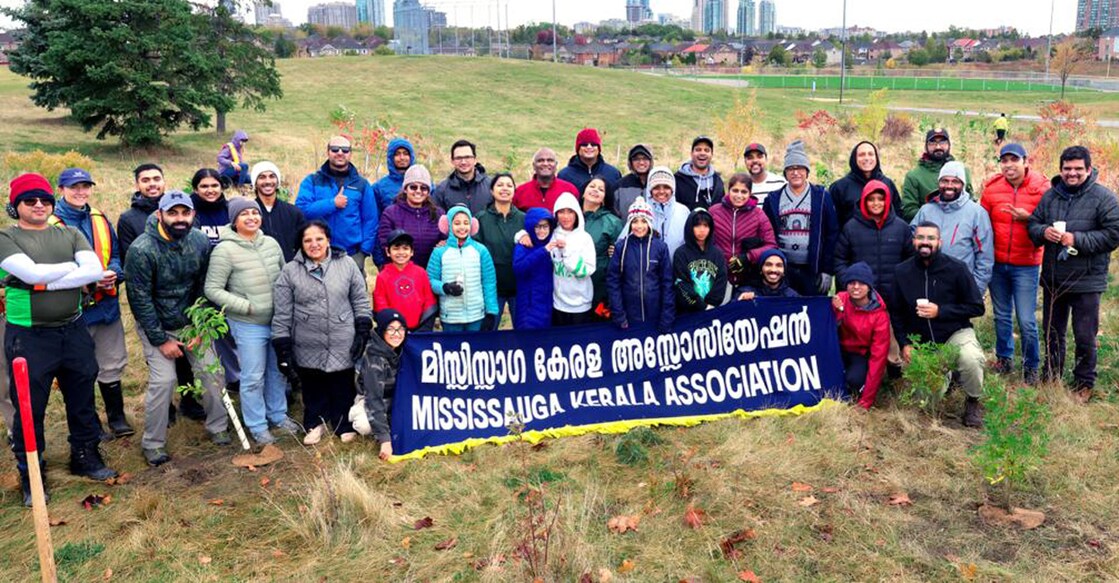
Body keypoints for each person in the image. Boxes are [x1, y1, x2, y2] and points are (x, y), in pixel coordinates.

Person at [1, 173, 119, 505]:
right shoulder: (5, 237)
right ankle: (31, 474)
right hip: (28, 335)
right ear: (16, 206)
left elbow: (93, 270)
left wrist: (41, 281)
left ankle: (85, 456)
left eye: (44, 200)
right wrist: (67, 273)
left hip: (73, 328)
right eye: (29, 200)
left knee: (82, 395)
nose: (39, 205)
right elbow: (32, 273)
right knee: (29, 407)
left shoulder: (70, 232)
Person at [125, 191, 231, 466]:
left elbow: (203, 287)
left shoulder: (199, 241)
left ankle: (218, 426)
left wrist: (199, 325)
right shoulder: (142, 249)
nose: (180, 219)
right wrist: (161, 340)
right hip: (156, 325)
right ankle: (153, 444)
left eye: (185, 213)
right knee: (164, 381)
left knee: (213, 373)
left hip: (192, 322)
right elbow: (140, 299)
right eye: (173, 213)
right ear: (160, 214)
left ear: (193, 215)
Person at [1027, 146, 1119, 401]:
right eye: (1067, 169)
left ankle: (1083, 383)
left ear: (1089, 170)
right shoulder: (1051, 197)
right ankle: (1052, 376)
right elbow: (1033, 224)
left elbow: (1113, 235)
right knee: (1052, 333)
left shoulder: (1104, 198)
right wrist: (1043, 232)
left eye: (1078, 169)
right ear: (1061, 169)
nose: (1072, 173)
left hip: (1087, 280)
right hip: (1055, 279)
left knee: (1084, 335)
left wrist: (1075, 239)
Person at [49, 168, 132, 439]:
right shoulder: (49, 224)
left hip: (106, 308)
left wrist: (114, 273)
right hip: (71, 312)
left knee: (112, 362)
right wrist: (88, 281)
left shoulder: (99, 217)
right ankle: (91, 424)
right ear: (61, 189)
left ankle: (116, 418)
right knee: (80, 370)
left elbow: (116, 253)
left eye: (85, 186)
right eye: (74, 187)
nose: (80, 192)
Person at [204, 198, 295, 446]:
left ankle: (277, 414)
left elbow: (285, 276)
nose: (252, 217)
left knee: (277, 371)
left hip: (277, 321)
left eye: (255, 212)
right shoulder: (225, 250)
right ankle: (257, 425)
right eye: (245, 214)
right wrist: (246, 306)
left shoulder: (271, 244)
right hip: (248, 323)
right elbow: (212, 289)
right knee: (253, 376)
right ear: (235, 220)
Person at [272, 221, 371, 445]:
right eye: (308, 240)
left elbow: (360, 299)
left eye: (319, 239)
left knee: (342, 383)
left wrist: (363, 329)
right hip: (307, 340)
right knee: (313, 385)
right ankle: (314, 423)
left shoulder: (346, 264)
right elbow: (282, 312)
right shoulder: (290, 271)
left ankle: (342, 422)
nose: (314, 244)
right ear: (301, 244)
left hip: (341, 336)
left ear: (328, 240)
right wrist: (283, 347)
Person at [889, 222, 986, 427]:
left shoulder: (957, 268)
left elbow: (977, 307)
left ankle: (973, 401)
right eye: (921, 237)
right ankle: (947, 377)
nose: (925, 242)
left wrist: (940, 311)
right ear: (913, 241)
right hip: (923, 343)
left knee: (971, 358)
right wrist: (905, 343)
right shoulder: (901, 272)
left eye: (931, 238)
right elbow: (896, 314)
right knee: (924, 403)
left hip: (955, 333)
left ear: (939, 242)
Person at [980, 143, 1048, 383]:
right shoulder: (991, 189)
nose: (1009, 165)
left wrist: (1028, 218)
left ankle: (1031, 367)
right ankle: (1004, 358)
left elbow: (1050, 221)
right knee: (1002, 315)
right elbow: (982, 223)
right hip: (997, 264)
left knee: (1027, 318)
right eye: (1004, 160)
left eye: (1014, 160)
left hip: (1026, 264)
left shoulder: (1041, 188)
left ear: (1025, 162)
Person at [762, 140, 838, 296]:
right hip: (783, 270)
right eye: (790, 169)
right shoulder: (773, 199)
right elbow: (766, 234)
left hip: (812, 270)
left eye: (800, 168)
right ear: (785, 173)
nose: (795, 173)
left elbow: (832, 234)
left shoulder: (821, 196)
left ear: (807, 171)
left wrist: (827, 270)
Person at [295, 135, 380, 274]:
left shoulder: (362, 184)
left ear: (350, 153)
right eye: (335, 149)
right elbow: (302, 210)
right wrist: (332, 204)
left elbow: (370, 221)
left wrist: (363, 252)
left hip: (351, 254)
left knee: (354, 295)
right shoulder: (312, 181)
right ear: (327, 152)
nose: (340, 152)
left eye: (345, 150)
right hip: (317, 254)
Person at [910, 161, 994, 296]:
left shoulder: (976, 213)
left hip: (960, 286)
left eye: (955, 181)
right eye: (944, 181)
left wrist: (976, 289)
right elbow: (911, 242)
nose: (949, 186)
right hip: (927, 283)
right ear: (939, 183)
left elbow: (985, 256)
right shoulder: (926, 210)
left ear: (963, 185)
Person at [835, 180, 913, 306]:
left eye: (880, 199)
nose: (876, 203)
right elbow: (839, 260)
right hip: (861, 300)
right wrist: (850, 283)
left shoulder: (901, 227)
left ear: (887, 200)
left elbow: (911, 260)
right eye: (871, 199)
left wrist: (904, 284)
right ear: (864, 200)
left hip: (894, 298)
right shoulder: (850, 227)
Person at [607, 197, 675, 332]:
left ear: (650, 223)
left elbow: (667, 283)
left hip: (655, 315)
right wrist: (619, 315)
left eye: (644, 221)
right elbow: (613, 282)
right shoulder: (621, 247)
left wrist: (667, 317)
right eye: (635, 221)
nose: (639, 226)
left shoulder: (660, 247)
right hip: (629, 316)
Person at [427, 206, 499, 332]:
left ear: (472, 225)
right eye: (457, 223)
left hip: (476, 314)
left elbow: (489, 282)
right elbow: (430, 280)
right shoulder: (439, 252)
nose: (462, 227)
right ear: (448, 225)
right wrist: (445, 287)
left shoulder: (481, 250)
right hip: (450, 316)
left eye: (466, 223)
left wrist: (491, 310)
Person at [831, 262, 890, 410]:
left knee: (853, 382)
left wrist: (866, 402)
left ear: (869, 286)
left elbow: (878, 358)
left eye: (862, 283)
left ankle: (862, 388)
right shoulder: (840, 299)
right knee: (833, 379)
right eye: (852, 282)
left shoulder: (879, 315)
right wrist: (836, 311)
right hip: (839, 350)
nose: (856, 287)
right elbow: (826, 329)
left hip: (862, 355)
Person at [353, 308, 407, 460]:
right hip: (373, 399)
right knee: (364, 425)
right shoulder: (374, 359)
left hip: (397, 399)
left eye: (400, 329)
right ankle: (371, 421)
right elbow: (374, 399)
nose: (396, 334)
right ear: (382, 330)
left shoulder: (405, 349)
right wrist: (385, 440)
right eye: (390, 329)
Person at [710, 173, 776, 290]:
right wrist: (719, 257)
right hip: (718, 275)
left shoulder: (758, 214)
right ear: (728, 190)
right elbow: (706, 241)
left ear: (750, 193)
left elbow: (771, 245)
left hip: (748, 278)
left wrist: (748, 257)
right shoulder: (714, 212)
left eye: (744, 192)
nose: (739, 195)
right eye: (735, 190)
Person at [475, 172, 524, 325]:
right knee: (489, 331)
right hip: (492, 286)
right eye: (500, 185)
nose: (504, 188)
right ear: (491, 191)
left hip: (518, 285)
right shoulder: (481, 218)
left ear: (514, 191)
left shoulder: (524, 218)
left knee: (522, 331)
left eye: (509, 185)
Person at [377, 165, 445, 269]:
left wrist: (445, 244)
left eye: (423, 188)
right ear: (405, 189)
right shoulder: (390, 213)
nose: (418, 191)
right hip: (401, 271)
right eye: (413, 187)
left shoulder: (439, 214)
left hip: (432, 272)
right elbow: (385, 244)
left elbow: (447, 239)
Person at [900, 128, 973, 221]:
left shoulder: (963, 172)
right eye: (933, 143)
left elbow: (970, 202)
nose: (938, 147)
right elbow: (908, 210)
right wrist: (936, 217)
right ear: (926, 146)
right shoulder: (913, 176)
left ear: (949, 145)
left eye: (942, 142)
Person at [374, 229, 438, 332]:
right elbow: (381, 305)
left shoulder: (421, 273)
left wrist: (424, 327)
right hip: (394, 332)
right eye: (396, 248)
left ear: (412, 251)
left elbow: (429, 301)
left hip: (420, 329)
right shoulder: (382, 276)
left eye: (405, 248)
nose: (401, 252)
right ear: (388, 251)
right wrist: (392, 326)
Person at [828, 141, 903, 228]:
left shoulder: (888, 184)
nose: (867, 158)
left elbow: (898, 214)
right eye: (862, 155)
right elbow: (831, 222)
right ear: (854, 158)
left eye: (871, 154)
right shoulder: (840, 187)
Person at [549, 193, 598, 326]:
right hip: (558, 303)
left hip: (580, 305)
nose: (566, 216)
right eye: (561, 212)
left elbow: (587, 270)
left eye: (570, 212)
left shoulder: (585, 238)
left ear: (577, 214)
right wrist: (520, 236)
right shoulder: (552, 234)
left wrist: (566, 253)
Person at [581, 176, 624, 318]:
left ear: (605, 197)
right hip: (569, 288)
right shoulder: (569, 217)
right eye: (592, 186)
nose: (595, 191)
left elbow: (620, 259)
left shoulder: (612, 223)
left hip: (599, 288)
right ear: (583, 192)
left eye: (601, 189)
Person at [673, 207, 728, 313]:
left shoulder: (717, 253)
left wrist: (712, 304)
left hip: (712, 309)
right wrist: (700, 305)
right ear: (690, 227)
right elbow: (681, 283)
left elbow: (721, 280)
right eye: (697, 225)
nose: (702, 230)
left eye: (706, 226)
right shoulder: (681, 253)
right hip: (687, 311)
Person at [252, 161, 306, 263]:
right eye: (262, 177)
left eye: (272, 176)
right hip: (259, 272)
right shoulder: (248, 214)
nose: (268, 181)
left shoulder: (293, 212)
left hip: (289, 271)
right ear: (255, 182)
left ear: (277, 181)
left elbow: (304, 243)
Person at [513, 208, 556, 330]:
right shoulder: (523, 246)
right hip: (529, 306)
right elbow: (519, 269)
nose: (541, 231)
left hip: (548, 305)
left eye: (545, 226)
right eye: (537, 227)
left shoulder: (552, 244)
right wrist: (542, 251)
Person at [117, 163, 166, 264]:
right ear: (137, 185)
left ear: (164, 182)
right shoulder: (127, 219)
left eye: (157, 179)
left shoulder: (180, 212)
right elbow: (129, 258)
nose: (152, 184)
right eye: (145, 180)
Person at [433, 139, 492, 215]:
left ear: (475, 159)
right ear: (452, 161)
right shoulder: (442, 190)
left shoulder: (491, 186)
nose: (463, 162)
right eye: (458, 158)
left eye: (467, 157)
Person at [558, 128, 622, 195]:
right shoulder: (565, 175)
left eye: (593, 144)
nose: (589, 147)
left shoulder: (613, 173)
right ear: (578, 148)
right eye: (584, 144)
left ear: (598, 148)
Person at [512, 148, 579, 211]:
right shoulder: (520, 192)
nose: (545, 164)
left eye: (550, 160)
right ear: (534, 165)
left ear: (556, 165)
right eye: (540, 160)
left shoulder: (570, 190)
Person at [646, 166, 690, 255]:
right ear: (650, 190)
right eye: (656, 187)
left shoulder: (683, 211)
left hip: (677, 265)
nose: (661, 191)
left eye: (666, 187)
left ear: (672, 190)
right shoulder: (642, 210)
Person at [675, 136, 725, 211]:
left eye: (706, 150)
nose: (702, 153)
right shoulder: (678, 180)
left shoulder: (718, 181)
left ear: (712, 154)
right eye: (698, 150)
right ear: (691, 153)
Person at [372, 138, 416, 214]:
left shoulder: (423, 185)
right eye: (397, 154)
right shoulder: (379, 188)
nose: (402, 158)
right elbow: (374, 217)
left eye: (405, 153)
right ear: (391, 157)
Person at [190, 168, 230, 246]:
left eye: (214, 186)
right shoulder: (187, 211)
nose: (210, 190)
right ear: (195, 189)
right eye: (204, 186)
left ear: (221, 188)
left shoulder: (231, 209)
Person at [614, 144, 654, 217]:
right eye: (636, 159)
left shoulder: (657, 184)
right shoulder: (620, 186)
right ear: (630, 162)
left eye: (645, 158)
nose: (641, 162)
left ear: (651, 161)